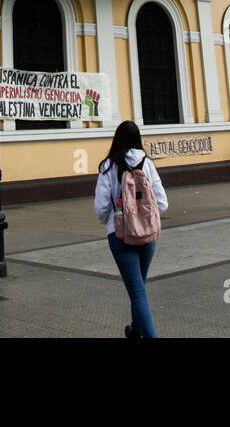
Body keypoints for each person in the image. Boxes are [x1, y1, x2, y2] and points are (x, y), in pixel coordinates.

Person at [95, 120, 168, 338]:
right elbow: (162, 202)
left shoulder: (108, 166)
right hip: (148, 235)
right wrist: (144, 215)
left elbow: (101, 207)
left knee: (137, 291)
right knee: (139, 287)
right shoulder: (148, 164)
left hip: (120, 235)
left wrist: (112, 219)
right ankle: (136, 330)